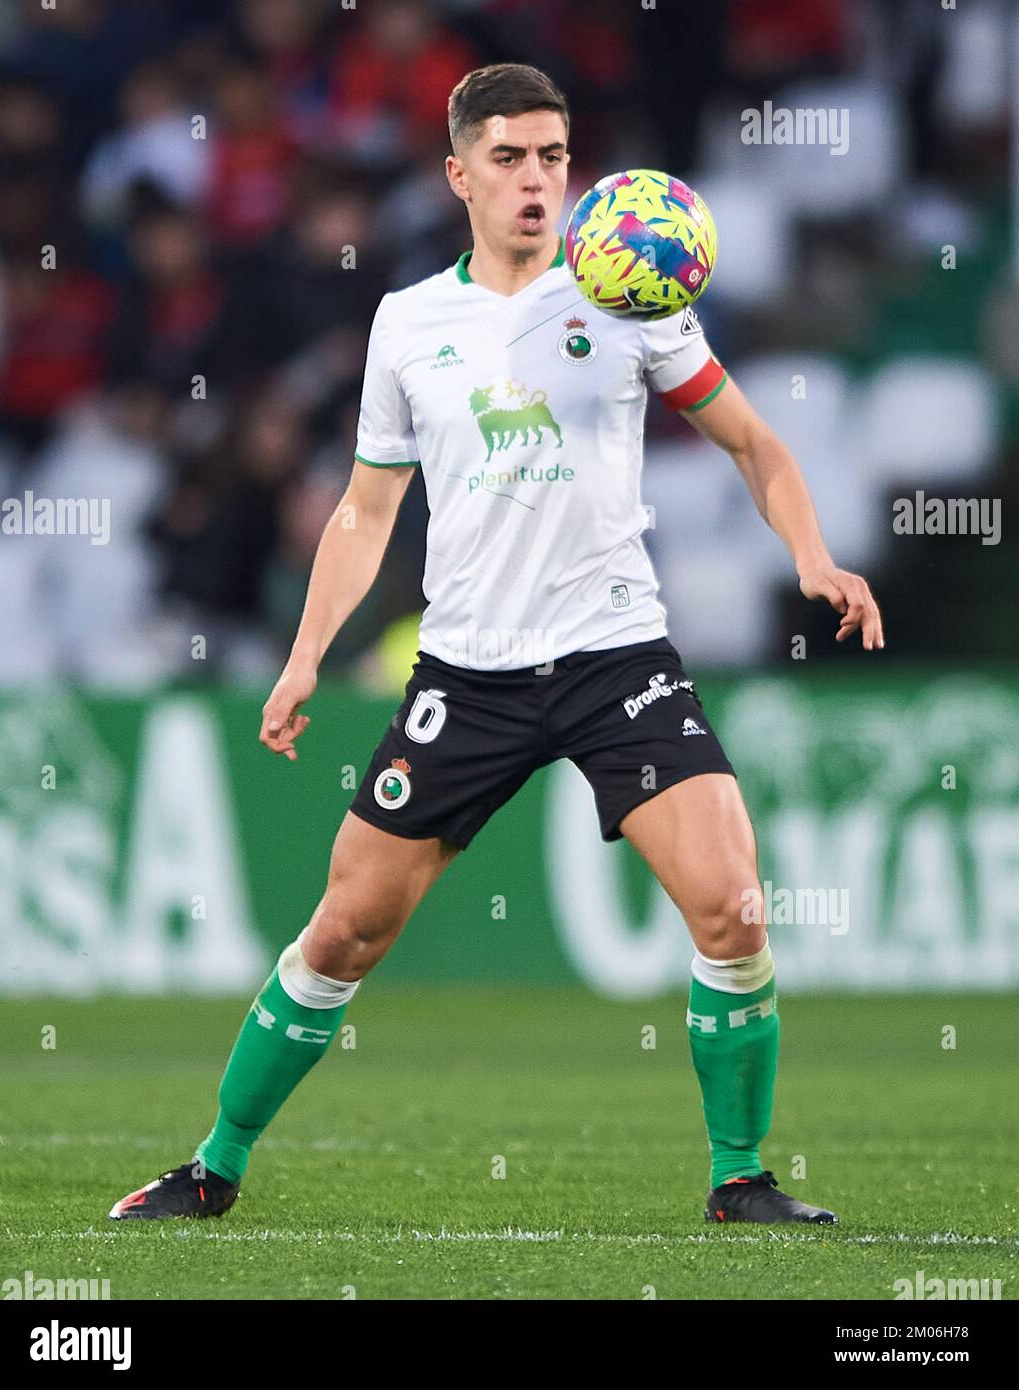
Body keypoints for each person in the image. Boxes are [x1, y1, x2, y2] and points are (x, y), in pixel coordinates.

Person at [110, 63, 883, 1226]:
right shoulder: (410, 323)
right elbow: (367, 509)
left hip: (616, 654)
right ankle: (212, 1164)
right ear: (459, 173)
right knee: (344, 929)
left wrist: (812, 557)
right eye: (512, 158)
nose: (537, 181)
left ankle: (739, 1177)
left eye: (555, 157)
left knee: (732, 909)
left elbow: (756, 447)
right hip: (466, 670)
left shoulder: (630, 299)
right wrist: (307, 652)